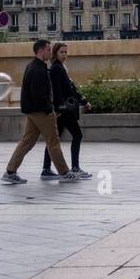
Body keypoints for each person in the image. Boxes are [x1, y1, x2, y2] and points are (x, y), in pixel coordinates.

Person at [0, 40, 78, 184]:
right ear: (41, 51)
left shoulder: (33, 66)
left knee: (27, 142)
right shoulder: (38, 70)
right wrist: (50, 110)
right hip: (41, 112)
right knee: (53, 141)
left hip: (32, 112)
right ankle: (65, 172)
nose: (50, 52)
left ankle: (10, 172)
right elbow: (40, 96)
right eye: (49, 49)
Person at [42, 43, 92, 179]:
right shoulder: (57, 68)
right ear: (55, 53)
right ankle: (75, 167)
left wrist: (83, 101)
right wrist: (59, 108)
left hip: (63, 110)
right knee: (77, 135)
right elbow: (58, 91)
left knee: (53, 140)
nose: (64, 55)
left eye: (65, 52)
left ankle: (46, 169)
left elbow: (71, 88)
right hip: (64, 111)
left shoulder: (60, 67)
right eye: (61, 52)